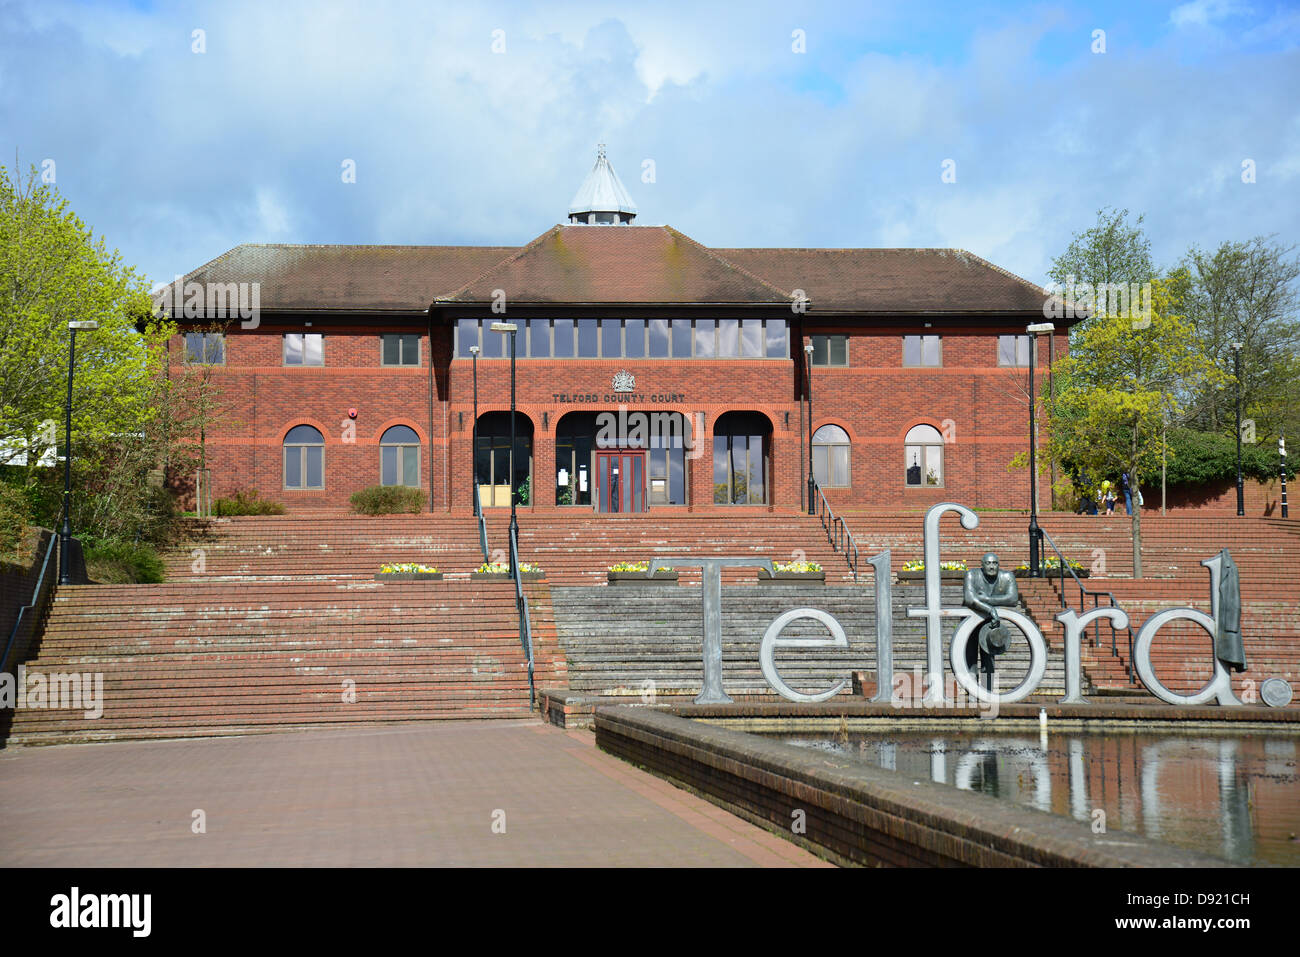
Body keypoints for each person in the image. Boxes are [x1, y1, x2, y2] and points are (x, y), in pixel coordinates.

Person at [962, 552, 1020, 689]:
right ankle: (972, 691)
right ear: (982, 566)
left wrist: (986, 600)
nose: (992, 567)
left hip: (990, 623)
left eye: (995, 563)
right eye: (988, 563)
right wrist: (991, 609)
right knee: (970, 659)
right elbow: (969, 599)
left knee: (989, 659)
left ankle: (987, 691)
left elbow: (1013, 599)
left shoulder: (1007, 577)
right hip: (970, 622)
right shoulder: (971, 575)